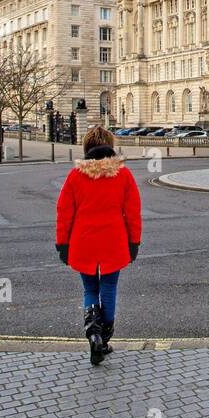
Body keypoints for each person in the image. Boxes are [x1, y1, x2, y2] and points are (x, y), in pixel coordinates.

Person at [55, 126, 142, 366]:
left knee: (90, 289)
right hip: (114, 240)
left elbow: (64, 212)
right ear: (110, 147)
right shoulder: (123, 174)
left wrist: (62, 243)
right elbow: (133, 212)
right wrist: (134, 241)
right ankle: (103, 337)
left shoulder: (75, 176)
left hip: (83, 241)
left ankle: (92, 333)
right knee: (110, 287)